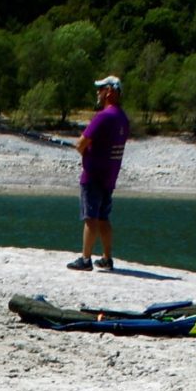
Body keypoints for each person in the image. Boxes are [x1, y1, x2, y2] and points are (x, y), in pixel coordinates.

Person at [67, 75, 129, 272]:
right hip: (110, 176)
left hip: (93, 175)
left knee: (90, 218)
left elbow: (81, 144)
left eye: (101, 88)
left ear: (109, 91)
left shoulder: (103, 116)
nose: (98, 92)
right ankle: (107, 258)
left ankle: (85, 260)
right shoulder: (123, 118)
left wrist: (85, 149)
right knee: (103, 217)